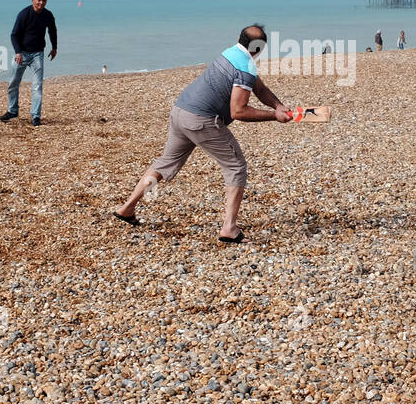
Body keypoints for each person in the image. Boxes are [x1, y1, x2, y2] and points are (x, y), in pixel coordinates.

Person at [113, 24, 291, 244]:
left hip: (180, 111)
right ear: (259, 48)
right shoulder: (246, 67)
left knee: (165, 163)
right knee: (236, 166)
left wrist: (279, 105)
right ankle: (229, 228)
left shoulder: (230, 53)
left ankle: (127, 208)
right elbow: (239, 111)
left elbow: (260, 89)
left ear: (240, 39)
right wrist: (274, 116)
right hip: (201, 120)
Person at [0, 0, 59, 127]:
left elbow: (52, 30)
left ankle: (36, 116)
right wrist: (18, 52)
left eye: (44, 0)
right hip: (22, 53)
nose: (41, 3)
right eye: (38, 0)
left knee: (37, 86)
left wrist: (54, 47)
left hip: (38, 54)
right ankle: (12, 111)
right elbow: (14, 34)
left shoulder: (48, 15)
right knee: (13, 83)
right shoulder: (24, 14)